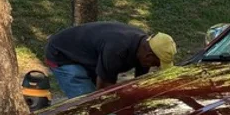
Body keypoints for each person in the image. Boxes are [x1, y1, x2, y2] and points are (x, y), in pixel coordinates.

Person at [44, 22, 177, 99]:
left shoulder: (144, 45)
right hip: (62, 54)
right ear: (148, 56)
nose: (155, 67)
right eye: (156, 64)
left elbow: (139, 82)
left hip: (89, 55)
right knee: (87, 103)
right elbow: (104, 89)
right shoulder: (118, 48)